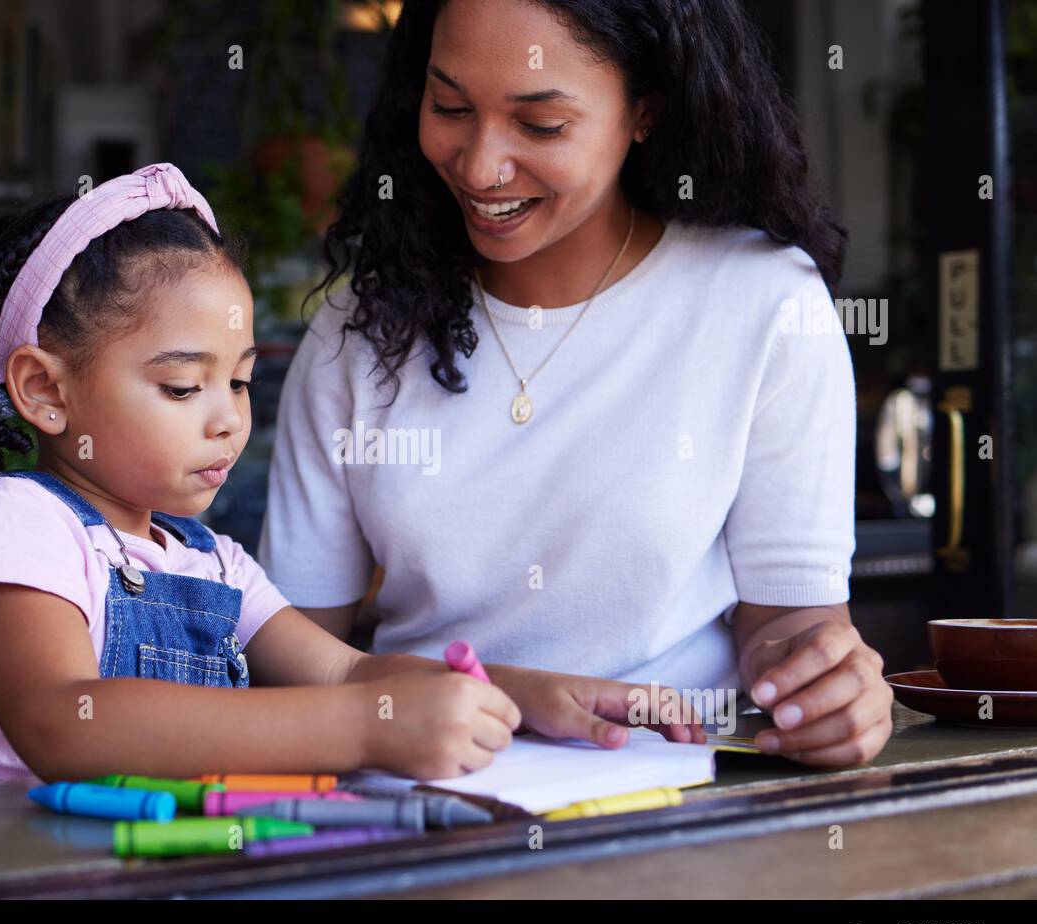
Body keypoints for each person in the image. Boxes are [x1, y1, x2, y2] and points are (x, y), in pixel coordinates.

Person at [0, 163, 705, 785]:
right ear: (44, 391)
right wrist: (364, 728)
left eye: (237, 380)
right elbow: (65, 720)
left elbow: (347, 669)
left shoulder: (212, 562)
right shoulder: (17, 526)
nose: (227, 416)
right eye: (180, 385)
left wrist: (524, 697)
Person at [259, 0, 894, 766]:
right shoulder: (358, 333)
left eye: (540, 125)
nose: (481, 164)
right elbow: (292, 659)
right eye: (450, 106)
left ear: (646, 109)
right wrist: (500, 690)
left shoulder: (764, 305)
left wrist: (825, 685)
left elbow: (788, 623)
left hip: (682, 798)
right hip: (418, 801)